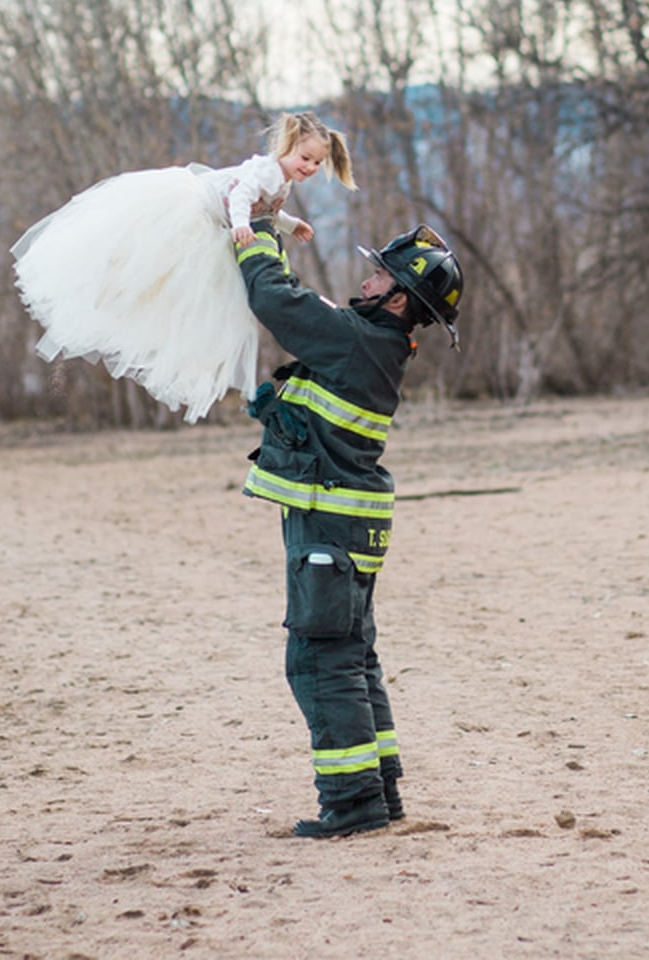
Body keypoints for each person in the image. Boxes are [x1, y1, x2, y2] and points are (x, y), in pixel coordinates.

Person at [239, 219, 464, 838]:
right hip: (347, 526)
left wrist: (257, 236)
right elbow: (331, 421)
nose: (365, 279)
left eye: (379, 275)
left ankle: (353, 800)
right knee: (353, 657)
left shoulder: (356, 340)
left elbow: (275, 301)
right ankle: (379, 791)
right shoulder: (372, 346)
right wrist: (284, 414)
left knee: (319, 660)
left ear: (397, 298)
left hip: (330, 524)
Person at [11, 111, 356, 423]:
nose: (309, 167)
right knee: (152, 257)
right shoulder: (267, 170)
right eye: (305, 157)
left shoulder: (283, 179)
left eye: (316, 163)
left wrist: (291, 225)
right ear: (286, 146)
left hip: (215, 226)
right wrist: (240, 225)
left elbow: (265, 209)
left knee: (176, 288)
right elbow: (242, 197)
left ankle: (122, 295)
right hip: (196, 211)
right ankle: (109, 284)